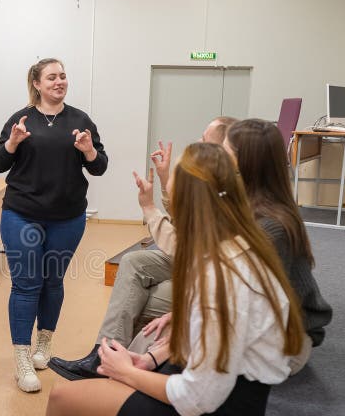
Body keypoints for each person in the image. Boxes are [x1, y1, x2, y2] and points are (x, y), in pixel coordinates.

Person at [0, 142, 305, 416]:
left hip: (219, 414)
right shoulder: (230, 243)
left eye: (175, 196)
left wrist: (128, 373)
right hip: (215, 389)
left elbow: (198, 398)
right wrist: (151, 358)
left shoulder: (225, 276)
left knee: (61, 399)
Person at [85, 119, 333, 416]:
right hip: (235, 309)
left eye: (224, 150)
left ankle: (122, 407)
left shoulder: (269, 225)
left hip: (286, 342)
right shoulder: (244, 204)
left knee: (152, 312)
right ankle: (115, 375)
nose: (214, 154)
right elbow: (199, 246)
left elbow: (235, 294)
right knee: (145, 292)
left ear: (243, 162)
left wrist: (181, 316)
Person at [48, 116, 237, 381]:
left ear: (223, 148)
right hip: (197, 260)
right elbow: (186, 222)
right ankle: (105, 355)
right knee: (133, 262)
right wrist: (165, 178)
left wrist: (149, 208)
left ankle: (118, 364)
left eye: (205, 139)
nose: (198, 141)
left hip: (204, 273)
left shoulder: (226, 189)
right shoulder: (215, 178)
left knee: (140, 295)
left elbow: (182, 247)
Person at [0, 58, 108, 392]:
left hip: (67, 219)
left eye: (63, 76)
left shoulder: (80, 120)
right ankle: (22, 356)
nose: (59, 81)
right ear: (37, 84)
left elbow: (100, 167)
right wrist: (12, 142)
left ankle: (44, 343)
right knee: (27, 284)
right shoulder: (21, 119)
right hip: (22, 215)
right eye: (52, 77)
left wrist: (88, 151)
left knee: (52, 281)